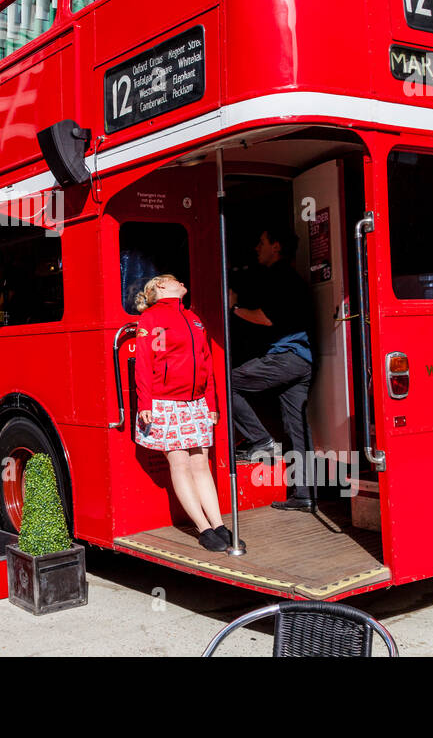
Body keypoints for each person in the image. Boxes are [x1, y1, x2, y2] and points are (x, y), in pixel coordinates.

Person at [133, 274, 233, 553]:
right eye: (174, 279)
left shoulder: (193, 318)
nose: (181, 281)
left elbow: (206, 361)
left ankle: (219, 525)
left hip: (197, 402)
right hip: (166, 402)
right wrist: (145, 403)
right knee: (180, 464)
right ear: (161, 287)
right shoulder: (151, 319)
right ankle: (203, 529)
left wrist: (212, 403)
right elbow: (144, 364)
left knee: (201, 464)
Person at [228, 225, 317, 513]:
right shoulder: (289, 277)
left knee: (226, 382)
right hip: (302, 360)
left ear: (276, 246)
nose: (257, 248)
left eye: (262, 241)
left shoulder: (281, 276)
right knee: (296, 428)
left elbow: (267, 318)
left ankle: (261, 441)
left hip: (286, 358)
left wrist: (234, 308)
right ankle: (304, 494)